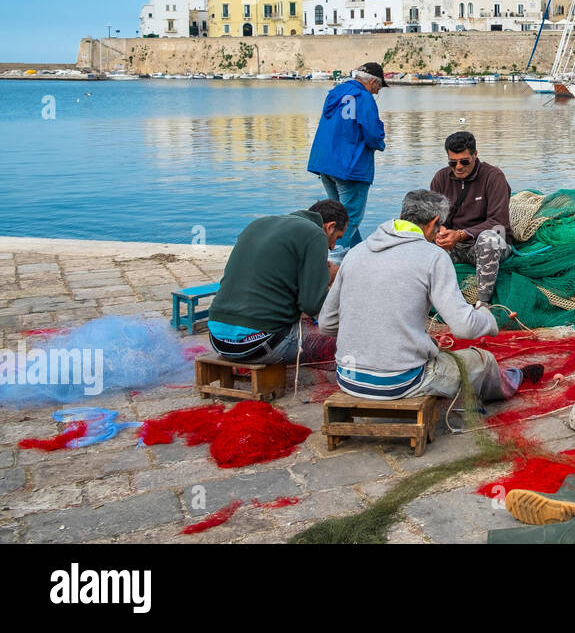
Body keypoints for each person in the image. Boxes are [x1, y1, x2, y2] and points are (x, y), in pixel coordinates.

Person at [319, 189, 540, 402]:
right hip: (400, 382)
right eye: (437, 229)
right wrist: (487, 317)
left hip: (349, 378)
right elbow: (465, 328)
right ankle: (515, 379)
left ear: (401, 216)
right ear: (434, 223)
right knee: (482, 361)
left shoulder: (355, 253)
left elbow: (327, 324)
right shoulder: (433, 256)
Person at [206, 199, 348, 364]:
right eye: (337, 237)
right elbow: (313, 306)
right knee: (347, 340)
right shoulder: (315, 234)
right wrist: (327, 278)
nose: (332, 247)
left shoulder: (258, 224)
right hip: (258, 345)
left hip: (218, 339)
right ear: (330, 227)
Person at [307, 62, 387, 256]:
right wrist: (381, 141)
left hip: (325, 164)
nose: (377, 92)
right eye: (379, 87)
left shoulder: (336, 92)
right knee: (350, 219)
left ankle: (361, 257)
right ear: (372, 82)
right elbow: (372, 133)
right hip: (351, 167)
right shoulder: (364, 97)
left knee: (341, 218)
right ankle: (329, 260)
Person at [428, 130, 512, 306]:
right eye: (453, 162)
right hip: (455, 245)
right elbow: (433, 218)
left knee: (487, 239)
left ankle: (483, 303)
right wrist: (440, 232)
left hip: (491, 244)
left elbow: (498, 223)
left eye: (464, 161)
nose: (458, 167)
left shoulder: (493, 176)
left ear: (475, 155)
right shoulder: (440, 178)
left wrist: (461, 234)